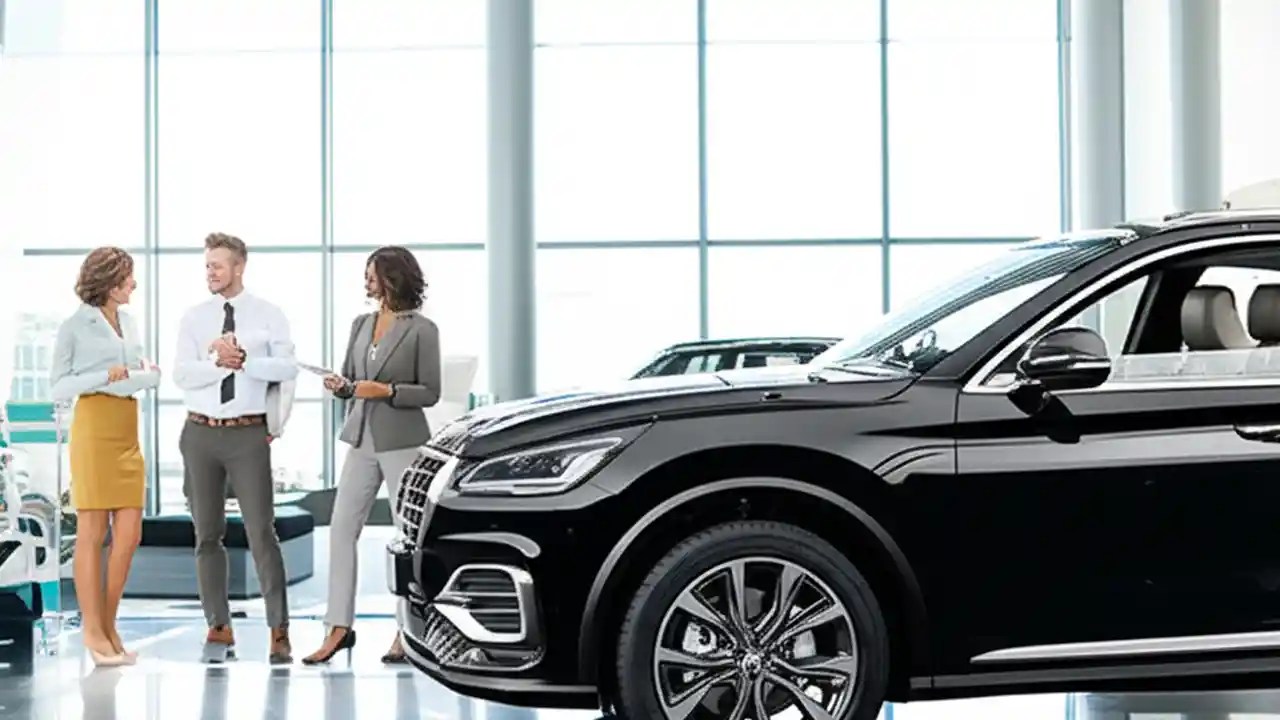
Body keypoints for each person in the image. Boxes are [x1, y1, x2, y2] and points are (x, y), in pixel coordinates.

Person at [302, 245, 441, 665]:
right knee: (342, 529)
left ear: (393, 278)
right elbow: (350, 378)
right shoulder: (360, 323)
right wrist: (340, 386)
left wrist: (388, 391)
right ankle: (339, 628)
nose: (366, 281)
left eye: (372, 274)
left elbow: (430, 392)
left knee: (406, 539)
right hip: (361, 438)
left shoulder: (422, 329)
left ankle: (408, 633)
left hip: (402, 442)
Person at [172, 232, 299, 664]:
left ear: (239, 266)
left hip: (248, 435)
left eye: (217, 266)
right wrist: (216, 363)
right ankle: (218, 626)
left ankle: (278, 630)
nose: (210, 272)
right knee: (207, 535)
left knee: (262, 532)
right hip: (200, 434)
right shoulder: (194, 318)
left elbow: (287, 366)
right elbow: (183, 376)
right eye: (207, 265)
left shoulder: (269, 315)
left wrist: (245, 361)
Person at [49, 247, 161, 666]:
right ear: (110, 281)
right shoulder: (73, 326)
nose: (134, 284)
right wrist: (108, 377)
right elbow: (58, 387)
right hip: (94, 427)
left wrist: (130, 377)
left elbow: (149, 372)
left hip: (126, 430)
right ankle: (94, 633)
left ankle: (107, 623)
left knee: (130, 534)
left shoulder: (128, 322)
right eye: (129, 277)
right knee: (92, 532)